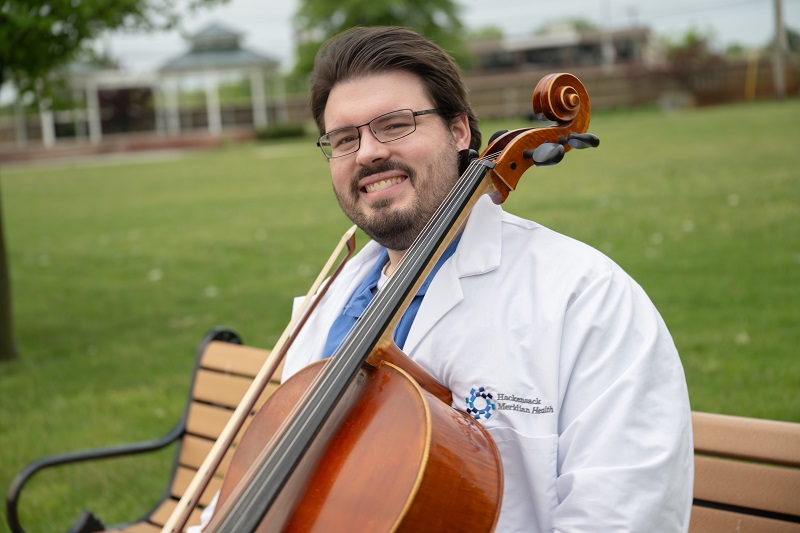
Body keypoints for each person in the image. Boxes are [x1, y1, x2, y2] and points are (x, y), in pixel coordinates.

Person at [194, 25, 694, 532]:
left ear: (458, 131)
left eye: (394, 124)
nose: (367, 152)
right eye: (345, 139)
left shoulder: (587, 298)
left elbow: (627, 516)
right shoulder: (330, 301)